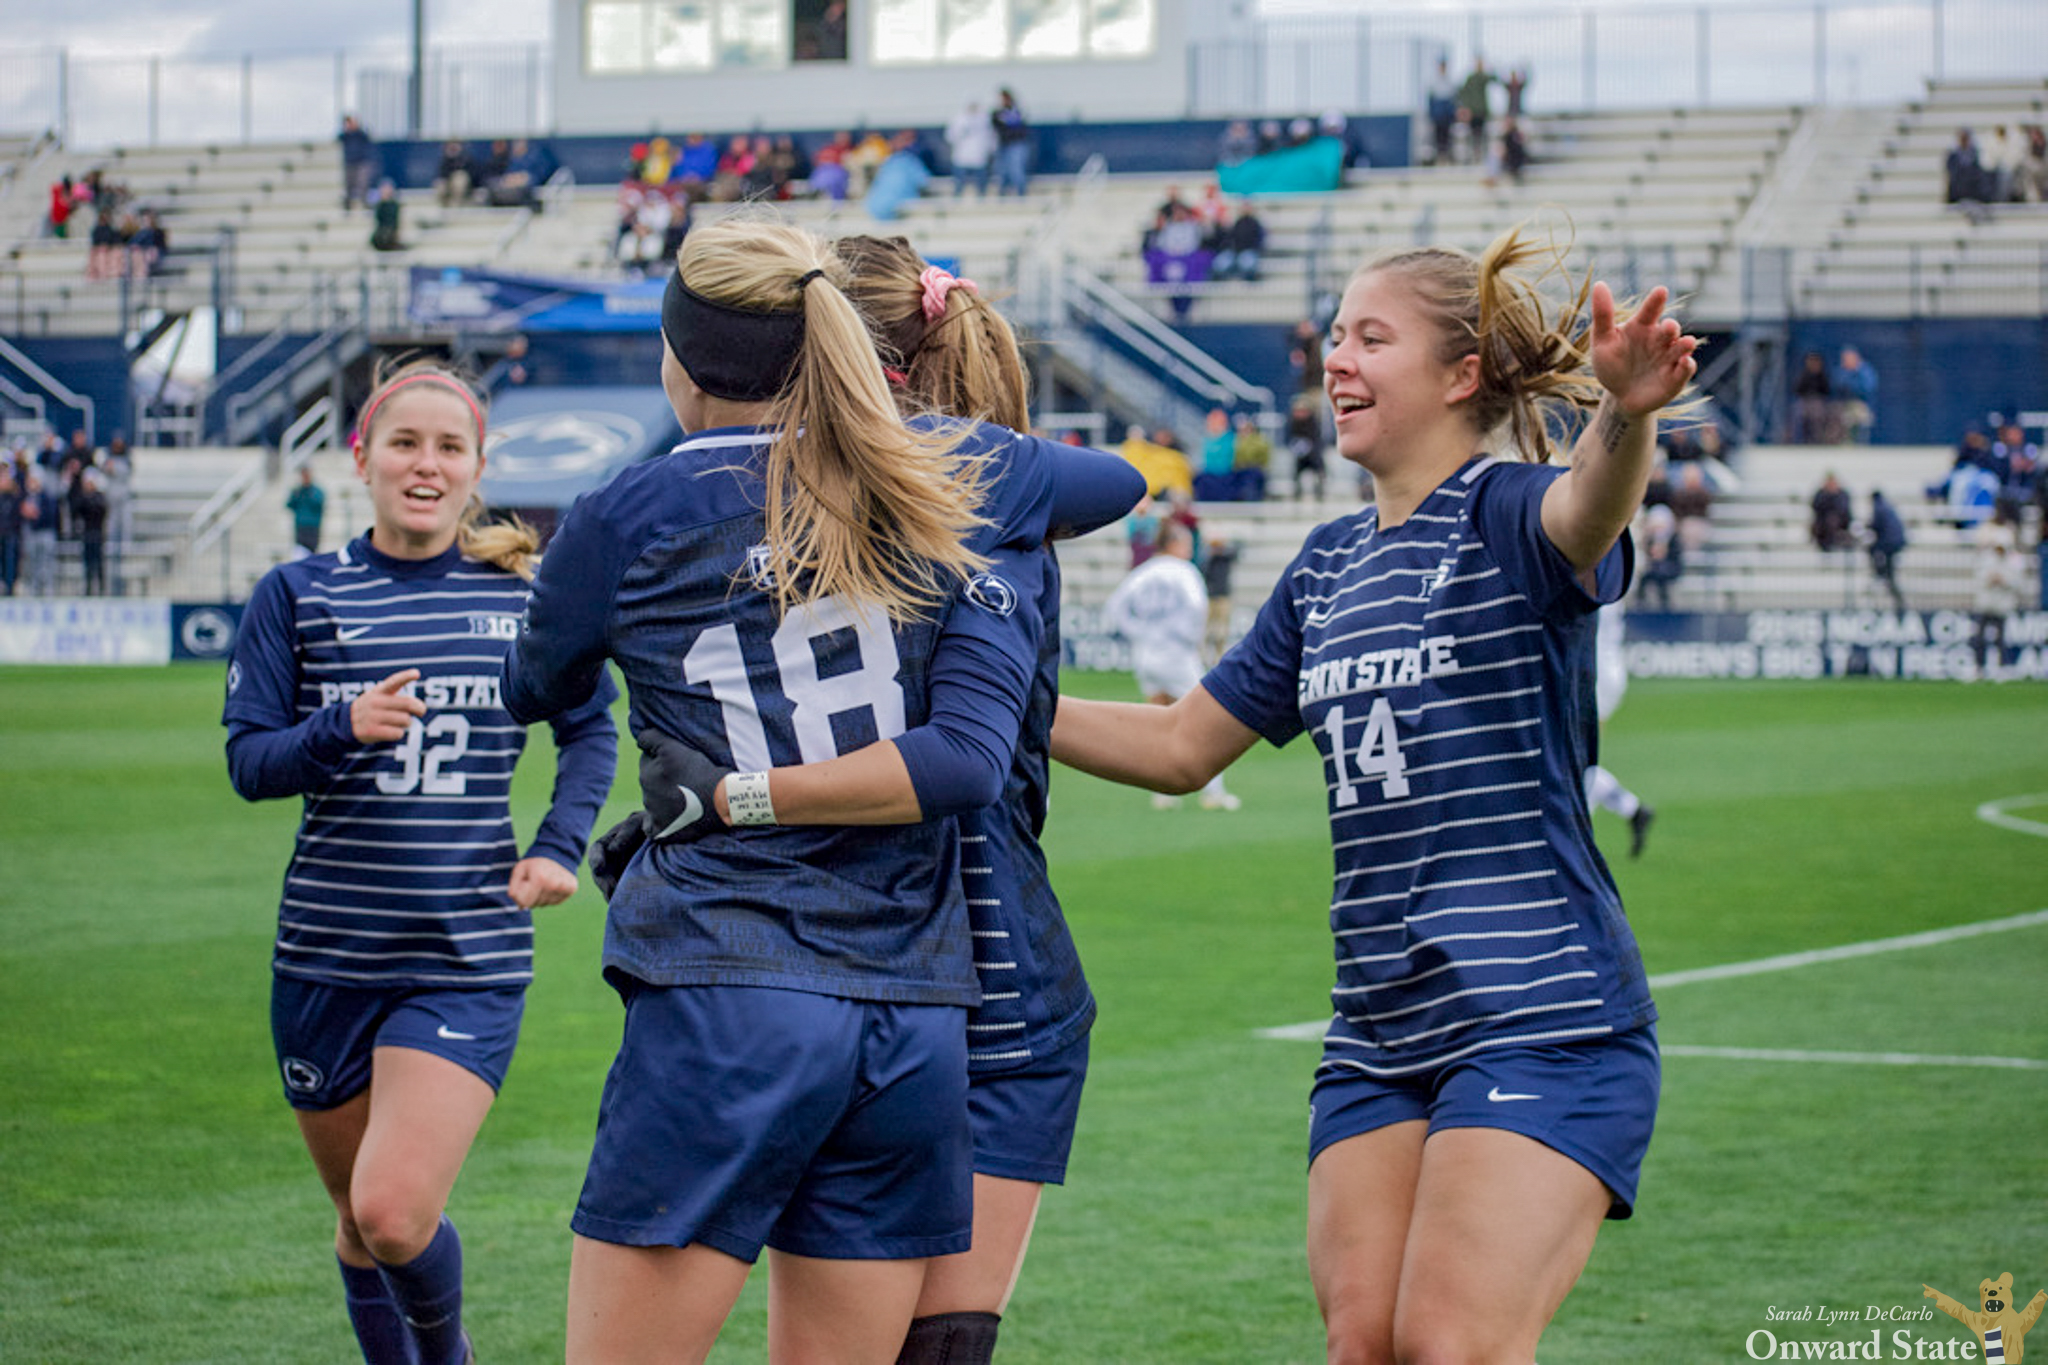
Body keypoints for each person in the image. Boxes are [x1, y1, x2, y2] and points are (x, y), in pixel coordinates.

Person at [499, 216, 1143, 1365]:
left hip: (727, 981)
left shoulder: (621, 514)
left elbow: (530, 686)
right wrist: (924, 441)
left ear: (678, 357)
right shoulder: (943, 479)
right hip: (914, 1007)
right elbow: (1116, 482)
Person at [1048, 226, 1696, 1364]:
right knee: (1364, 1346)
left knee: (1448, 1345)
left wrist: (1626, 410)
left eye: (1370, 338)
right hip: (1376, 1030)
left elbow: (1589, 508)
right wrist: (989, 709)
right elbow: (1180, 746)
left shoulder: (1509, 513)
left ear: (1458, 377)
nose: (1334, 361)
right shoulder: (1325, 564)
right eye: (1335, 336)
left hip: (1539, 1017)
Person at [221, 360, 620, 1365]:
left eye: (450, 448)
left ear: (478, 467)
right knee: (360, 1227)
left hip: (464, 954)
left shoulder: (521, 597)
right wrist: (338, 729)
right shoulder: (298, 595)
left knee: (394, 1214)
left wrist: (556, 846)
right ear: (361, 457)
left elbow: (589, 729)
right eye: (405, 443)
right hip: (324, 957)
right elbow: (248, 761)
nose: (426, 464)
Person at [1099, 521, 1240, 812]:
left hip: (1145, 654)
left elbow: (1115, 609)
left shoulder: (1143, 572)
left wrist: (1140, 635)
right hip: (1176, 653)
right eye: (1186, 541)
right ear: (1174, 543)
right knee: (1207, 718)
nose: (1189, 547)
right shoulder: (1184, 572)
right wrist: (1186, 641)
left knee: (1156, 717)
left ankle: (1162, 792)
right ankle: (1213, 791)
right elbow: (1196, 608)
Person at [1585, 602, 1655, 857]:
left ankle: (1579, 834)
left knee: (1575, 759)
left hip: (1595, 673)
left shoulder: (1594, 574)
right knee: (1575, 758)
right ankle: (1632, 809)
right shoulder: (1608, 574)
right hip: (1605, 670)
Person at [945, 99, 997, 198]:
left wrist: (991, 150)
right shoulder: (959, 119)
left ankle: (981, 200)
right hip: (962, 157)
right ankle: (957, 200)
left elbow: (991, 136)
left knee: (981, 183)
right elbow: (950, 137)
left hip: (979, 156)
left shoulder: (984, 119)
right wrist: (962, 133)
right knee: (959, 182)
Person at [1867, 487, 1908, 610]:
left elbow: (1876, 525)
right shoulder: (1888, 506)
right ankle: (1883, 574)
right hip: (1894, 542)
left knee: (1873, 550)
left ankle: (1880, 572)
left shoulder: (1879, 508)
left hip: (1889, 543)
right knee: (1889, 573)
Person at [1287, 391, 1328, 501]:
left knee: (1319, 469)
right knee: (1297, 470)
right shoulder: (1293, 423)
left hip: (1313, 453)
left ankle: (1319, 492)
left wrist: (1310, 449)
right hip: (1300, 454)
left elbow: (1317, 440)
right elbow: (1290, 438)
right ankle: (1297, 494)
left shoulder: (1313, 422)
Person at [1833, 346, 1877, 444]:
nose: (1848, 361)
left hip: (1862, 404)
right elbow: (1837, 386)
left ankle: (1861, 444)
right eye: (1845, 359)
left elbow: (1867, 389)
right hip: (1844, 404)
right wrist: (1847, 373)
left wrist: (1855, 375)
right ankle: (1845, 444)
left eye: (1850, 358)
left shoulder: (1865, 371)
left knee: (1859, 415)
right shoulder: (1842, 371)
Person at [992, 88, 1032, 196]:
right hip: (1003, 145)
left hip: (1016, 145)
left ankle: (1021, 194)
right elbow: (996, 126)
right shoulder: (997, 113)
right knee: (1002, 172)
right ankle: (1002, 195)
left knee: (1016, 170)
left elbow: (1019, 126)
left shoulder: (1017, 111)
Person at [287, 463, 326, 556]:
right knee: (299, 553)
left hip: (313, 527)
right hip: (300, 527)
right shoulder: (297, 491)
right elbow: (289, 504)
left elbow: (318, 503)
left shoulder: (316, 491)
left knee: (312, 553)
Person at [339, 115, 376, 212]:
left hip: (362, 162)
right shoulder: (345, 135)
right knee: (349, 184)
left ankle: (365, 203)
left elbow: (368, 137)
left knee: (363, 183)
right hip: (350, 162)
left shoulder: (360, 134)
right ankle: (348, 205)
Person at [1810, 472, 1855, 551]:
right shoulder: (1820, 494)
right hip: (1823, 525)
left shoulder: (1842, 494)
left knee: (1833, 520)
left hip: (1840, 523)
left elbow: (1844, 510)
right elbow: (1816, 507)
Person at [433, 141, 475, 209]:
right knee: (440, 184)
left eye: (455, 145)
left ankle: (456, 208)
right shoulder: (445, 160)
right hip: (449, 186)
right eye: (450, 145)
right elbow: (442, 175)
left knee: (459, 178)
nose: (453, 147)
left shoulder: (467, 159)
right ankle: (443, 208)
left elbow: (473, 175)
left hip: (466, 188)